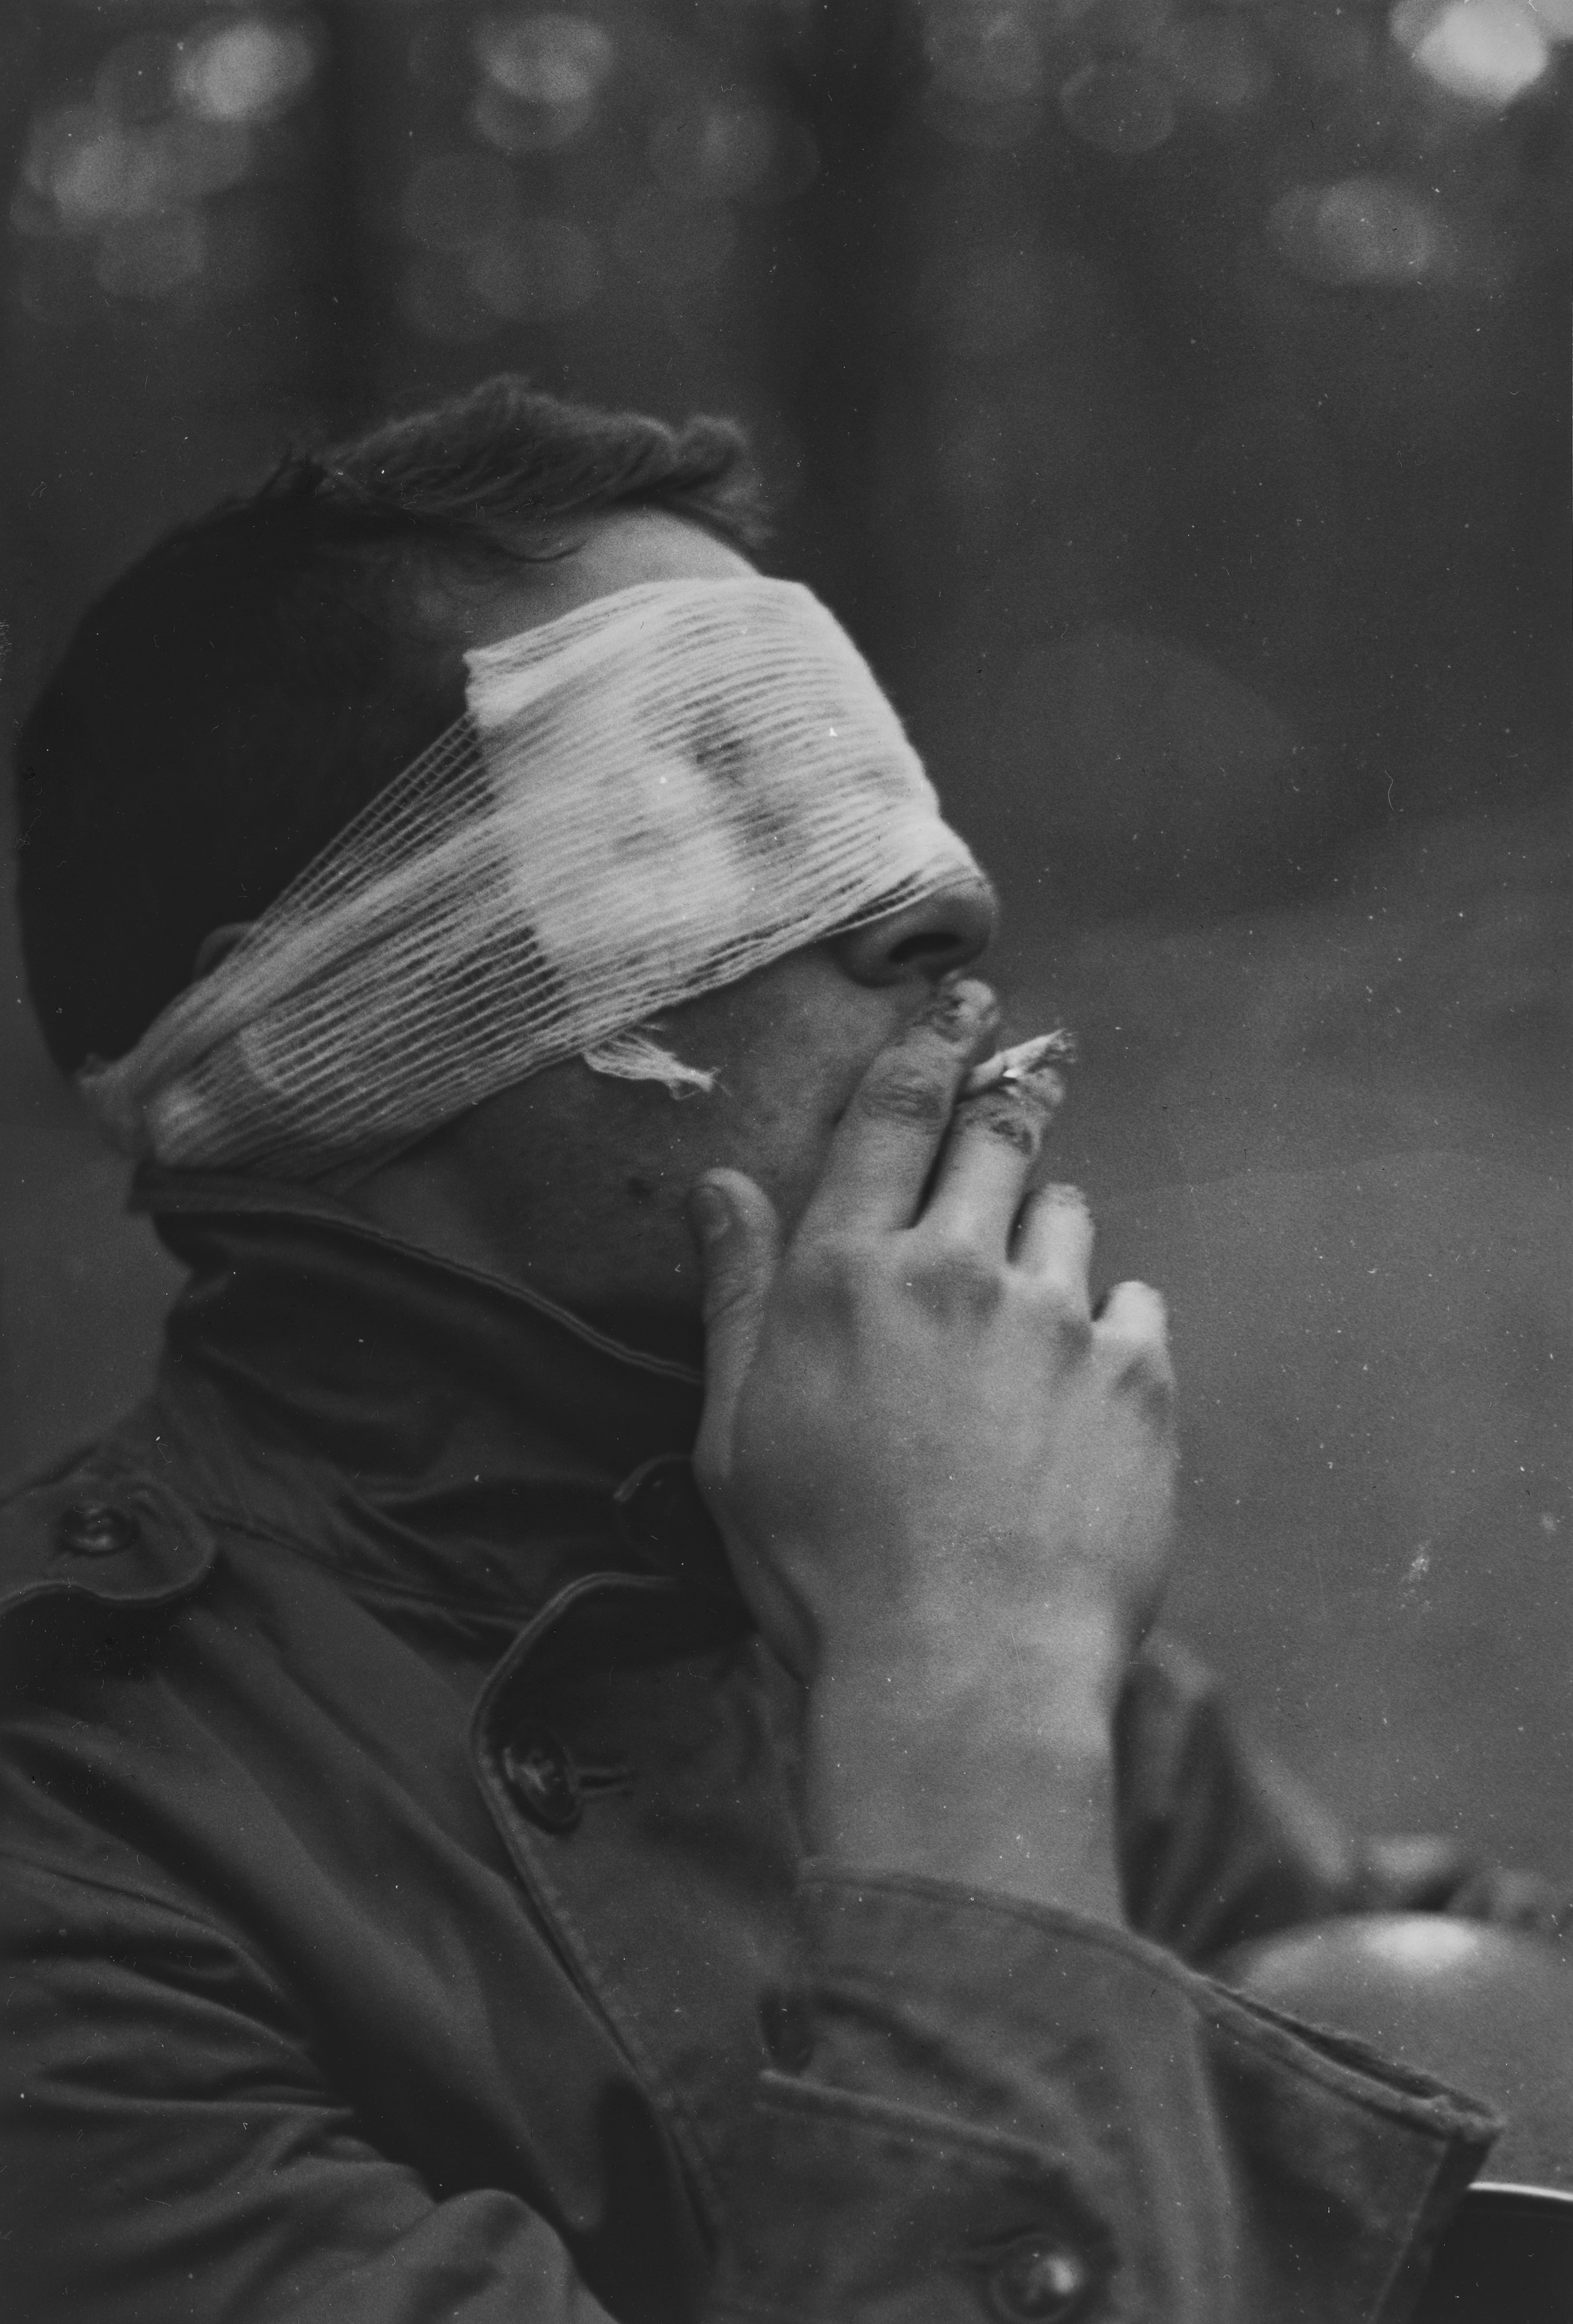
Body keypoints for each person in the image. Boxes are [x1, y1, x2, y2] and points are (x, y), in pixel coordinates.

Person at [1, 381, 1563, 2323]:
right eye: (724, 788)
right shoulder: (76, 1857)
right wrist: (956, 1705)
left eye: (870, 778)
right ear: (325, 1018)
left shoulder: (859, 1543)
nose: (945, 894)